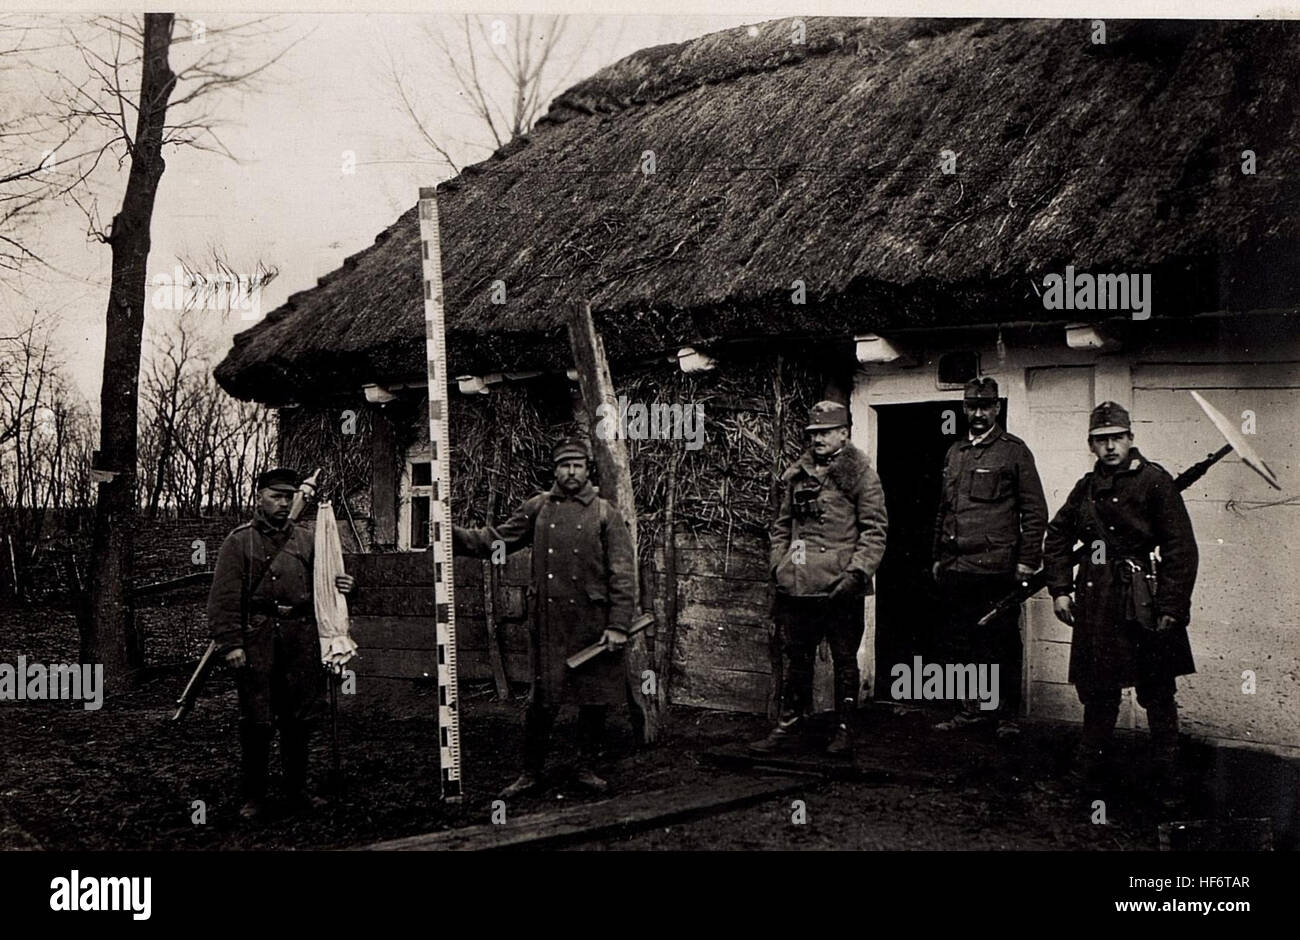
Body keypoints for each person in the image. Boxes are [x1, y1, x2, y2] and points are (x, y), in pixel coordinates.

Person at [454, 438, 635, 797]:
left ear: (587, 470)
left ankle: (585, 768)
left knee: (593, 699)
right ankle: (530, 772)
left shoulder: (605, 513)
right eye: (565, 466)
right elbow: (498, 541)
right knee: (542, 702)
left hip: (592, 625)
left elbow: (623, 575)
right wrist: (453, 535)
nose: (571, 472)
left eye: (578, 466)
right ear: (555, 470)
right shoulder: (539, 508)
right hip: (549, 625)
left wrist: (617, 625)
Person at [1042, 402, 1198, 791]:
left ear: (1130, 439)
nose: (1110, 446)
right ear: (1091, 445)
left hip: (1144, 596)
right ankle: (1085, 775)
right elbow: (1058, 536)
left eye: (1117, 438)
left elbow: (1181, 549)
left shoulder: (1154, 481)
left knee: (1158, 691)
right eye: (1101, 440)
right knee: (1098, 690)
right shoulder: (1086, 487)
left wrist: (1172, 606)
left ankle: (1168, 781)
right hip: (1096, 598)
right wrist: (1060, 589)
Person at [207, 467, 355, 821]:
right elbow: (223, 599)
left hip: (300, 641)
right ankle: (254, 796)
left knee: (299, 721)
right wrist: (231, 645)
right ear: (258, 496)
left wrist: (349, 586)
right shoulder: (239, 541)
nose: (283, 502)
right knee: (257, 722)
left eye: (288, 497)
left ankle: (297, 791)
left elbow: (326, 584)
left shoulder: (307, 539)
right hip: (258, 641)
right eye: (275, 496)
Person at [751, 400, 888, 757]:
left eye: (826, 432)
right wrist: (779, 565)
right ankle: (790, 723)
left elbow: (875, 531)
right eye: (813, 433)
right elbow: (781, 527)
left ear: (845, 433)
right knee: (798, 658)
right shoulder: (798, 475)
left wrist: (857, 573)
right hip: (798, 584)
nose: (818, 440)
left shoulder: (862, 475)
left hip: (841, 585)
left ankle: (844, 728)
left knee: (844, 658)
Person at [931, 376, 1047, 738]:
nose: (978, 413)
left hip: (997, 568)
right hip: (958, 567)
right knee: (960, 640)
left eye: (985, 406)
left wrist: (1027, 560)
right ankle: (970, 710)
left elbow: (1035, 510)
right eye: (971, 406)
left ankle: (1007, 716)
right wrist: (938, 555)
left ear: (997, 408)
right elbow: (944, 510)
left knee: (1001, 642)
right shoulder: (955, 452)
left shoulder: (1014, 451)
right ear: (964, 409)